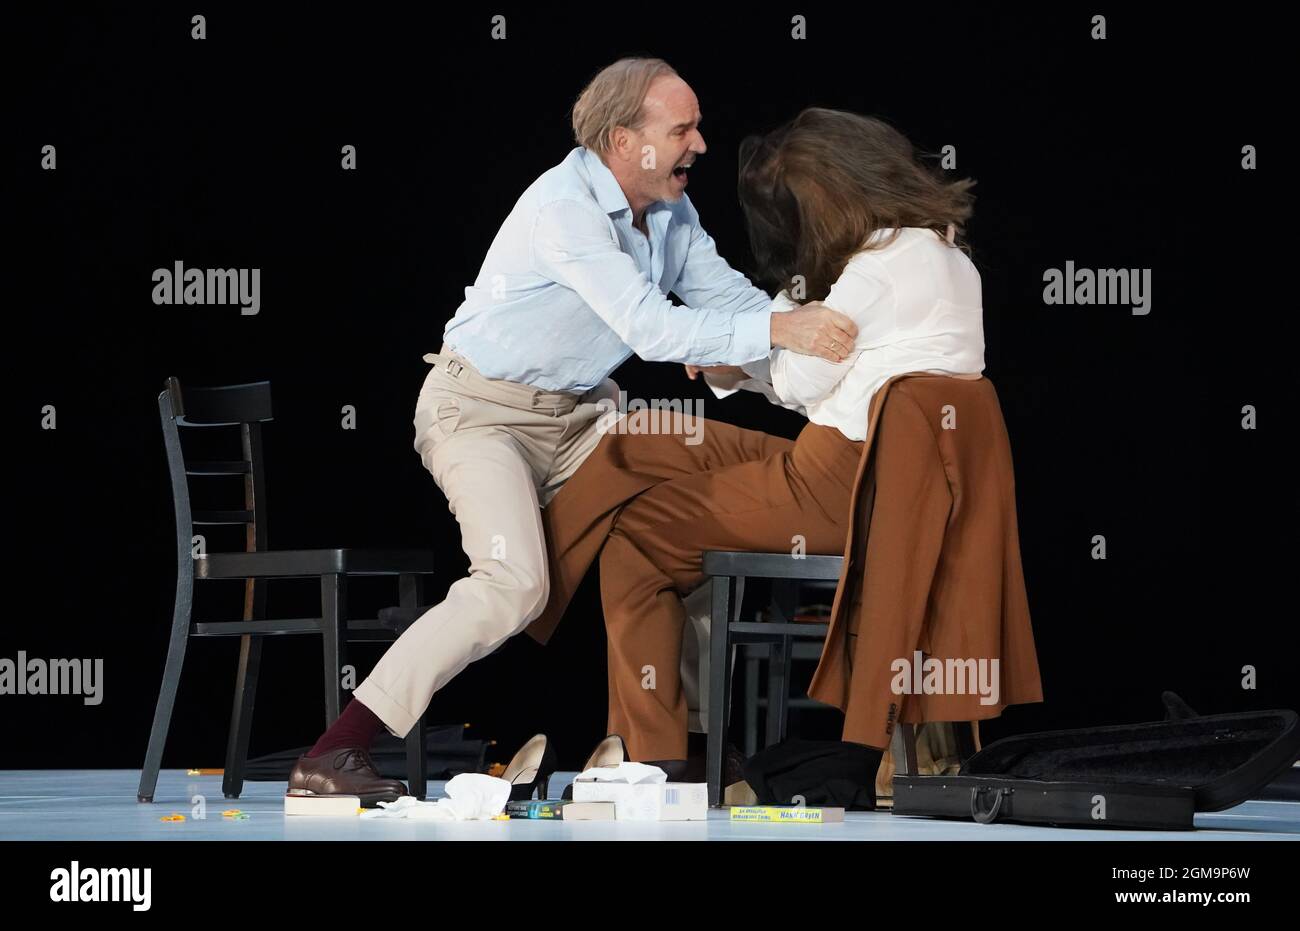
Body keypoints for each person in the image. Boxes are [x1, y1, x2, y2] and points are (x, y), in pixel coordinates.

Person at [287, 61, 856, 802]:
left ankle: (682, 753)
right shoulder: (565, 209)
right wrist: (771, 327)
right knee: (513, 583)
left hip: (584, 414)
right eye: (682, 129)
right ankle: (334, 750)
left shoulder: (672, 213)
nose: (703, 144)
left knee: (697, 515)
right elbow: (654, 328)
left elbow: (731, 305)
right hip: (482, 413)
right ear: (624, 140)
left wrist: (829, 377)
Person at [528, 108, 992, 776]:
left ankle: (659, 757)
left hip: (841, 487)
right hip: (864, 470)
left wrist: (739, 360)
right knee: (648, 434)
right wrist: (745, 364)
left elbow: (804, 379)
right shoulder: (944, 255)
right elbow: (830, 381)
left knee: (637, 536)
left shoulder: (878, 268)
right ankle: (533, 588)